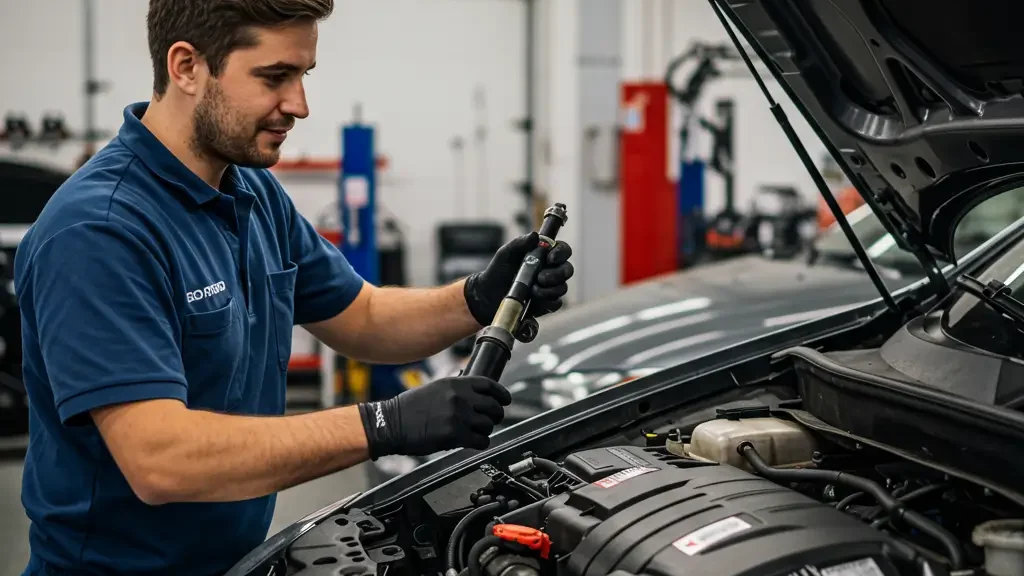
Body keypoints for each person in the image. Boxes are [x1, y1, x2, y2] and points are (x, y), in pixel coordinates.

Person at [14, 1, 574, 575]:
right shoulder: (100, 231)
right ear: (186, 67)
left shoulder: (251, 191)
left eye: (303, 75)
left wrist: (477, 298)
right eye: (274, 77)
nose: (299, 106)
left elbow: (364, 315)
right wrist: (385, 423)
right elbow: (161, 459)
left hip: (239, 562)